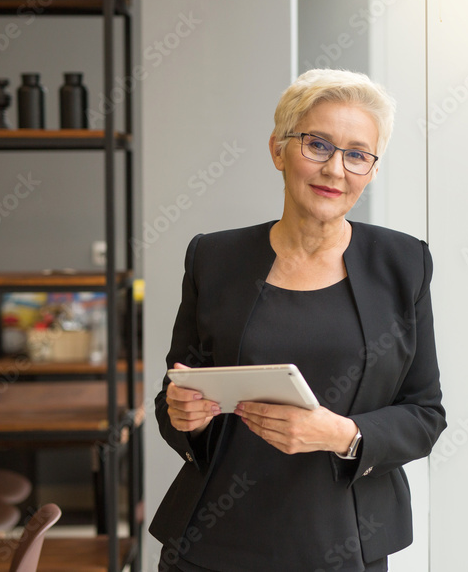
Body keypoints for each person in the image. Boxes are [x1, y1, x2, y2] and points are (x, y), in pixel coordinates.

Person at [149, 69, 447, 572]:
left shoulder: (404, 263)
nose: (336, 169)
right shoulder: (213, 257)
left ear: (371, 170)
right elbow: (175, 395)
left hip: (345, 543)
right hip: (212, 543)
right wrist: (182, 416)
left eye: (357, 154)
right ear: (278, 150)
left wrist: (342, 434)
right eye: (318, 145)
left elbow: (424, 414)